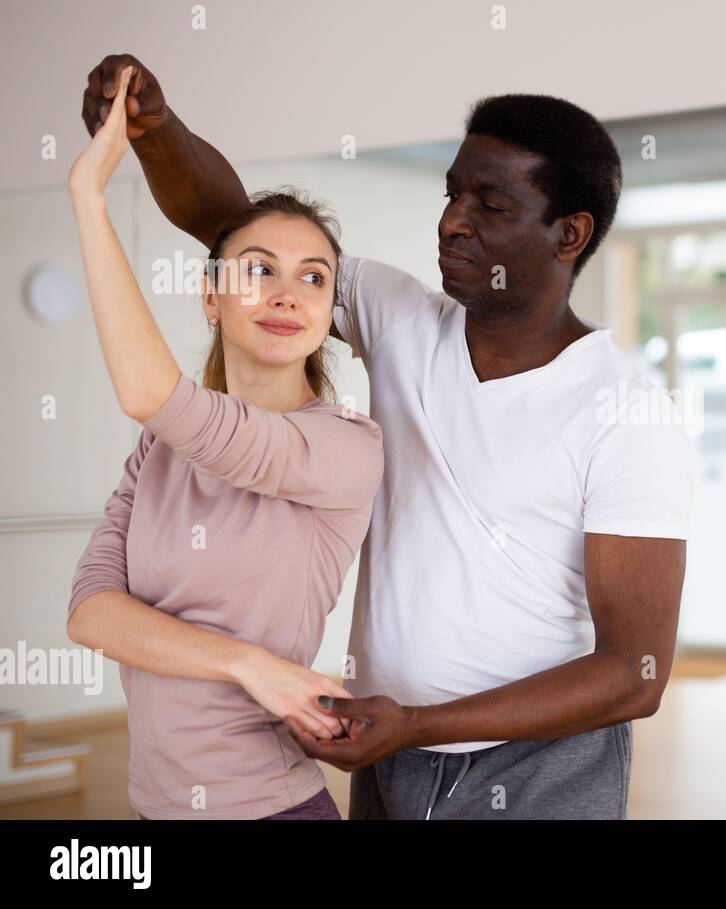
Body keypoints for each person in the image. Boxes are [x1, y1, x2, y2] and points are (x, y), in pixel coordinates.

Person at [81, 54, 693, 819]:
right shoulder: (401, 315)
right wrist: (157, 129)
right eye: (452, 193)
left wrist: (421, 722)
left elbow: (634, 672)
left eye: (490, 204)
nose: (450, 221)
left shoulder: (627, 413)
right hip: (389, 755)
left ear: (569, 234)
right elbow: (239, 228)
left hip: (539, 774)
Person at [66, 68, 385, 820]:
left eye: (313, 277)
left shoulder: (342, 449)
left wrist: (89, 197)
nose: (286, 293)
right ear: (209, 295)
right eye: (258, 270)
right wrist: (249, 665)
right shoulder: (163, 448)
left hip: (269, 807)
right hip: (154, 806)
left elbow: (150, 391)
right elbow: (90, 613)